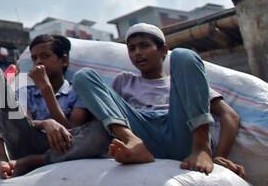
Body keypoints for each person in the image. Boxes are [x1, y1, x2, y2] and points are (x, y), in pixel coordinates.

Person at [72, 23, 245, 175]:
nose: (138, 53)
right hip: (141, 137)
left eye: (144, 46)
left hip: (181, 134)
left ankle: (201, 148)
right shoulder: (124, 80)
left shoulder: (182, 80)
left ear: (163, 50)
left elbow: (230, 116)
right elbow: (106, 113)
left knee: (183, 55)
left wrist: (220, 156)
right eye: (132, 49)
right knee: (83, 76)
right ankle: (132, 141)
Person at [0, 34, 109, 179]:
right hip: (27, 145)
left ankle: (39, 161)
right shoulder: (25, 91)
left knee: (103, 129)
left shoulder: (79, 90)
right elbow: (24, 122)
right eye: (34, 58)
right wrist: (45, 123)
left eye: (45, 56)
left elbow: (72, 129)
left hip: (66, 147)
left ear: (63, 60)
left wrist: (46, 89)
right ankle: (0, 154)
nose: (39, 62)